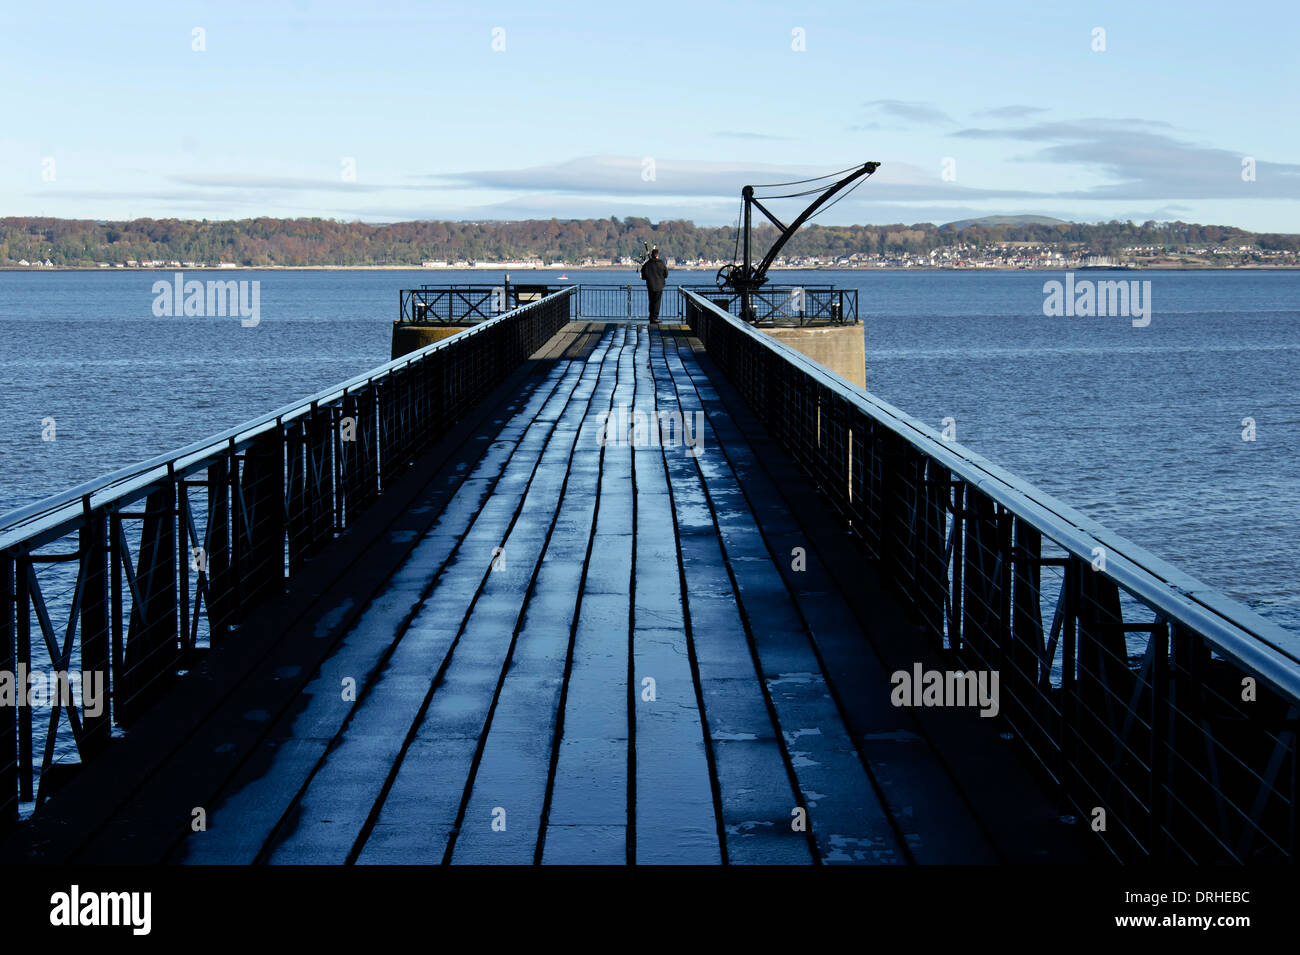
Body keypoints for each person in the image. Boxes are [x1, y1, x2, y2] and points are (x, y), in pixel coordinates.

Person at [640, 246, 669, 324]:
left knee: (651, 301)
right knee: (657, 302)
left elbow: (643, 275)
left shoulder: (647, 264)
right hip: (659, 285)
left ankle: (651, 316)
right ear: (657, 255)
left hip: (650, 285)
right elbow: (666, 274)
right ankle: (655, 317)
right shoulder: (661, 263)